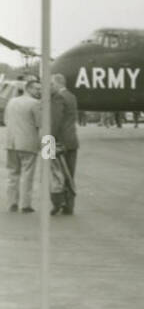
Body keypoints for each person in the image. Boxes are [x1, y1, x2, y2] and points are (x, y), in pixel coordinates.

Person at [3, 79, 40, 213]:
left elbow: (6, 120)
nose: (39, 91)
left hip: (11, 143)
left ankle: (12, 203)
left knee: (13, 173)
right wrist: (49, 150)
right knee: (27, 174)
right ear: (28, 89)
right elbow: (41, 125)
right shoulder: (36, 104)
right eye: (36, 88)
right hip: (28, 144)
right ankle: (25, 205)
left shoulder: (12, 101)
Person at [48, 72, 79, 215]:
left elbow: (55, 121)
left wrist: (48, 142)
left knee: (54, 174)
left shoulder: (57, 97)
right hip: (72, 140)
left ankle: (57, 204)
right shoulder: (72, 96)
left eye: (51, 84)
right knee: (69, 174)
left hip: (57, 141)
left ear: (56, 84)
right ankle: (69, 205)